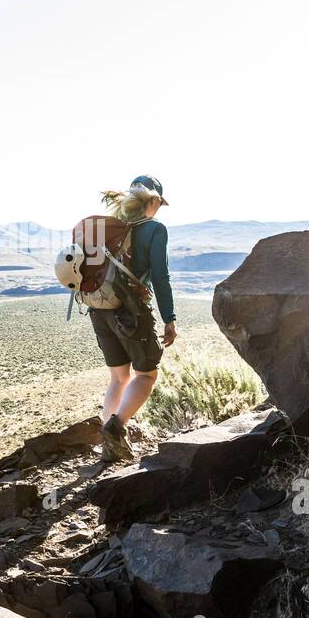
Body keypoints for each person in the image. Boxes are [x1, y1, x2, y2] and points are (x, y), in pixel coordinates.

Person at [91, 175, 177, 461]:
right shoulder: (154, 230)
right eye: (159, 203)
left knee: (119, 377)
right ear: (152, 201)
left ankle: (109, 441)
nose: (159, 209)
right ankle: (117, 430)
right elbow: (160, 278)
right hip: (131, 310)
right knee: (146, 374)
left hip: (99, 308)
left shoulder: (111, 228)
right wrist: (169, 318)